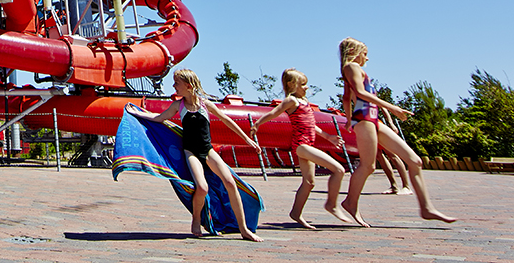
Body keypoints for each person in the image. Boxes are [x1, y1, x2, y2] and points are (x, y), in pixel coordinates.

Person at [128, 68, 263, 241]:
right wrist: (138, 113)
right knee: (202, 187)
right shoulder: (179, 105)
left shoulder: (205, 105)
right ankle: (197, 219)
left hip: (207, 150)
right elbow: (160, 118)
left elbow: (227, 120)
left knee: (230, 182)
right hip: (190, 152)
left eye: (177, 83)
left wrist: (248, 140)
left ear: (188, 85)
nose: (174, 86)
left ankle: (244, 229)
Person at [338, 38, 455, 226]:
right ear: (355, 51)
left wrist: (349, 118)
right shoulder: (351, 67)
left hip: (371, 119)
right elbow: (359, 93)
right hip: (365, 120)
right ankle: (350, 203)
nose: (367, 58)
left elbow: (346, 97)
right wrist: (392, 108)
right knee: (368, 166)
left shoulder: (355, 70)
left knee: (415, 161)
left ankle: (426, 208)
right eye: (365, 53)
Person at [250, 69, 351, 229]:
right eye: (303, 84)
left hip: (308, 144)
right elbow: (274, 112)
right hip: (301, 145)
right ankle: (332, 204)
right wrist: (257, 124)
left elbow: (312, 125)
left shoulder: (304, 101)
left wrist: (328, 137)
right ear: (291, 84)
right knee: (338, 170)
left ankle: (296, 213)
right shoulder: (291, 101)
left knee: (309, 182)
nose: (306, 88)